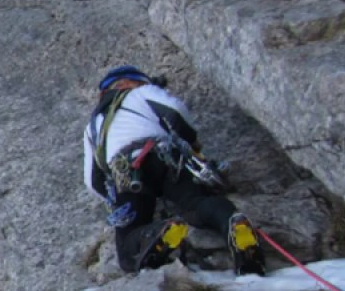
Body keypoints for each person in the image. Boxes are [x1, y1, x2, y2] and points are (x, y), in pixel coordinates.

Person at [82, 65, 266, 275]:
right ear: (128, 82)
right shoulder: (141, 92)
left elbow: (92, 180)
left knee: (127, 246)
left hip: (125, 175)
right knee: (196, 203)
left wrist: (117, 200)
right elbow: (176, 111)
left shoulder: (92, 127)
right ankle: (232, 223)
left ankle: (160, 233)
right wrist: (191, 143)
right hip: (166, 158)